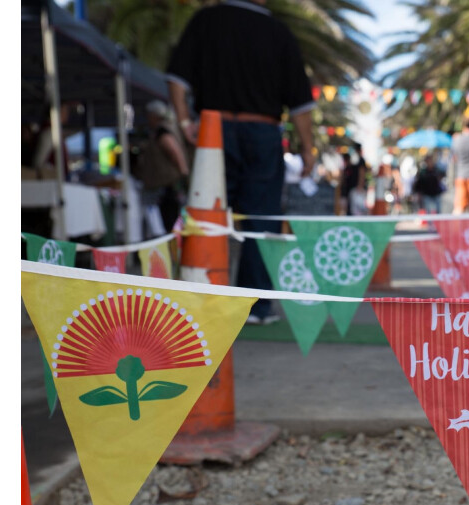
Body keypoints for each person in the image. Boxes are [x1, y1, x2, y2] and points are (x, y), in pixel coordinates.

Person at [166, 0, 317, 325]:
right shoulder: (279, 32)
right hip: (262, 131)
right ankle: (255, 307)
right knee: (260, 222)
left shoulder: (206, 20)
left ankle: (199, 300)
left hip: (212, 129)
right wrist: (308, 148)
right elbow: (301, 104)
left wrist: (183, 122)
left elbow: (176, 80)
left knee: (207, 215)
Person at [136, 100, 190, 234]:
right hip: (165, 185)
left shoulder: (163, 132)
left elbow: (174, 152)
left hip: (167, 186)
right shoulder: (164, 130)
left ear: (155, 115)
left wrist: (184, 175)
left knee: (170, 222)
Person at [341, 144, 369, 216]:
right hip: (352, 188)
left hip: (357, 188)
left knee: (357, 210)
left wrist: (360, 185)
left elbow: (362, 173)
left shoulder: (361, 160)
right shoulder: (356, 161)